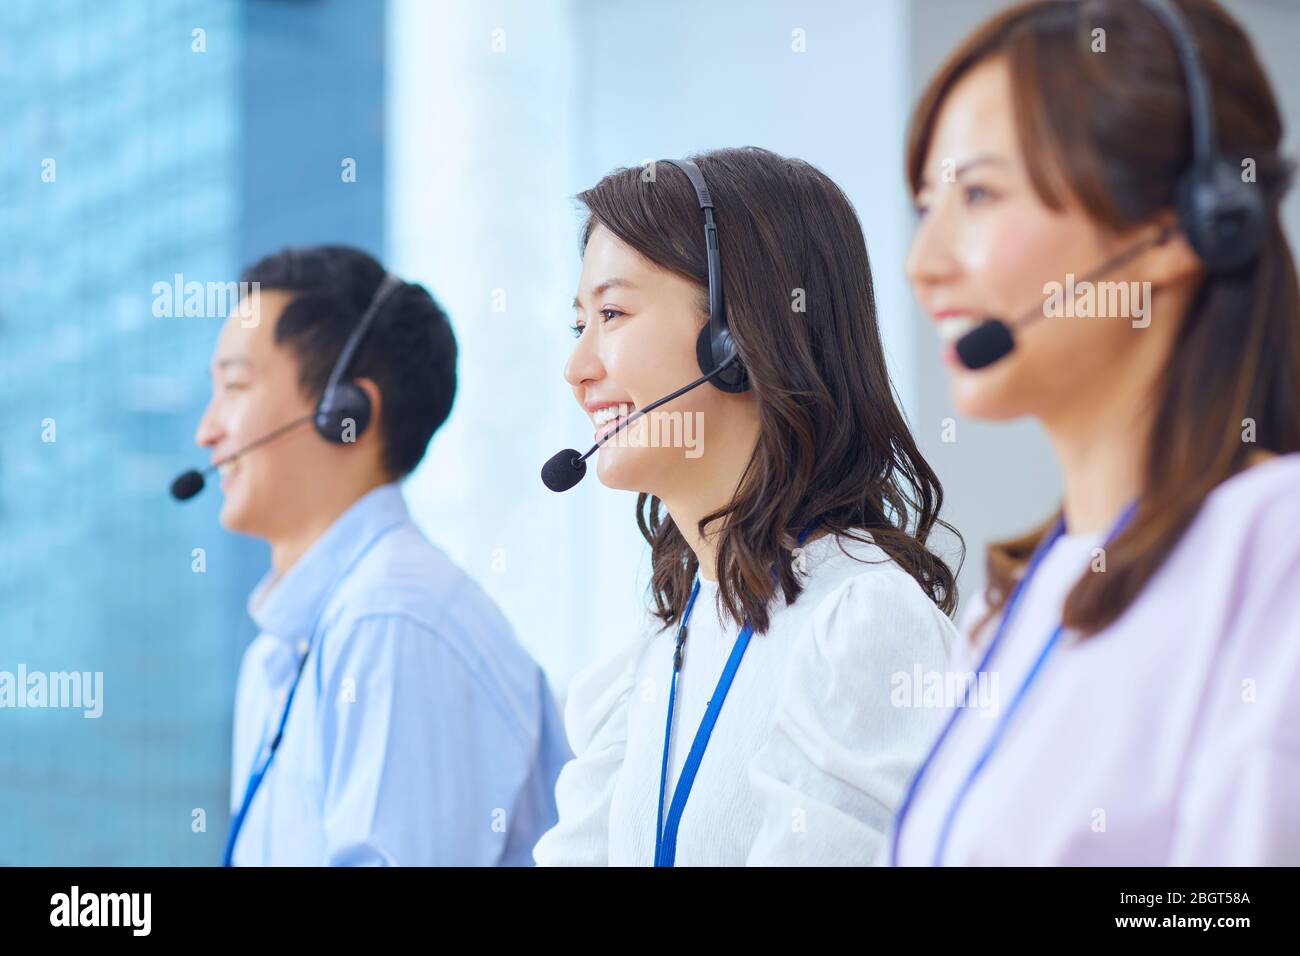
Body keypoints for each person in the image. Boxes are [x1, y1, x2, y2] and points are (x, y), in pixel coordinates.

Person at [891, 0, 1299, 864]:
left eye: (978, 193)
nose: (923, 263)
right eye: (929, 204)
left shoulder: (1274, 544)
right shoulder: (1011, 602)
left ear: (1178, 228)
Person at [533, 148, 961, 866]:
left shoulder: (859, 624)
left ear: (734, 339)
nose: (578, 369)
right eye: (579, 325)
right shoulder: (666, 643)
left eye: (612, 313)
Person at [196, 244, 570, 865]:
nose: (206, 431)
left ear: (344, 410)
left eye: (234, 387)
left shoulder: (392, 620)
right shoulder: (283, 650)